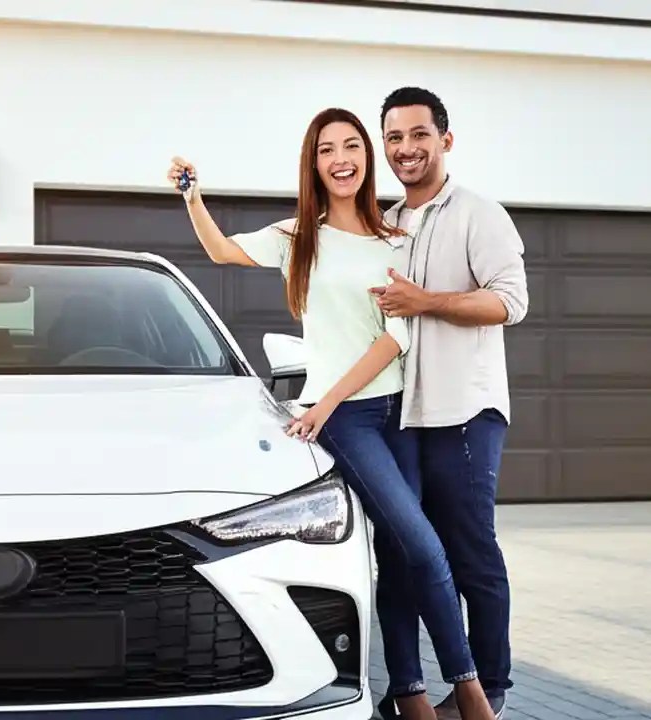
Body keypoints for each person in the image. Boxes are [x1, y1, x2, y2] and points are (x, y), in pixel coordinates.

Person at [166, 107, 495, 720]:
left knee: (401, 558)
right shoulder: (299, 236)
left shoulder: (397, 240)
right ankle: (470, 689)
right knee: (423, 547)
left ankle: (412, 696)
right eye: (326, 150)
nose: (340, 158)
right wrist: (193, 195)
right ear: (313, 164)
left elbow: (395, 338)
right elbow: (220, 251)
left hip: (400, 412)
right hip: (347, 420)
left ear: (366, 158)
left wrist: (329, 397)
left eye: (351, 146)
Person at [370, 86, 528, 720]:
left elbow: (509, 302)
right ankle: (410, 689)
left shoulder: (478, 213)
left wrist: (428, 301)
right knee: (408, 557)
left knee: (471, 554)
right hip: (400, 420)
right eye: (395, 138)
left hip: (463, 414)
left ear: (445, 140)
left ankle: (490, 690)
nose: (406, 149)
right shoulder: (386, 223)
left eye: (418, 135)